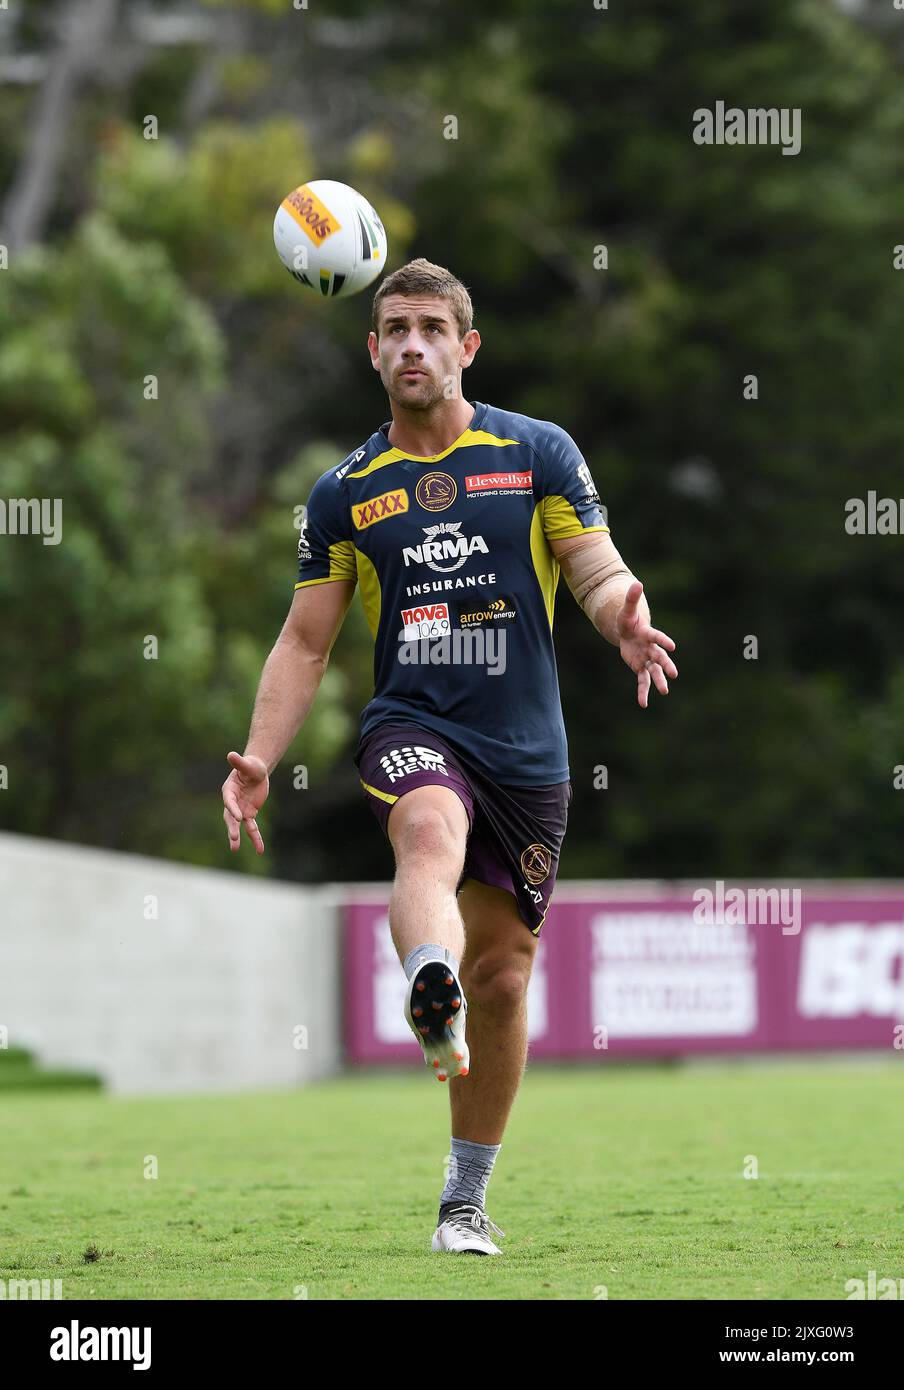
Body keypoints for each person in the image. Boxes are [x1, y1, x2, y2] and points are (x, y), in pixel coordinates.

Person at [221, 258, 677, 1255]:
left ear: (466, 347)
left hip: (525, 746)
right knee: (426, 827)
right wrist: (259, 754)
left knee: (508, 973)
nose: (413, 343)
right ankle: (431, 982)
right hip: (411, 722)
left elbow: (594, 569)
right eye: (395, 328)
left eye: (433, 327)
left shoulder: (536, 452)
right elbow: (305, 642)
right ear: (372, 347)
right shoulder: (345, 491)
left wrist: (624, 621)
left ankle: (464, 1200)